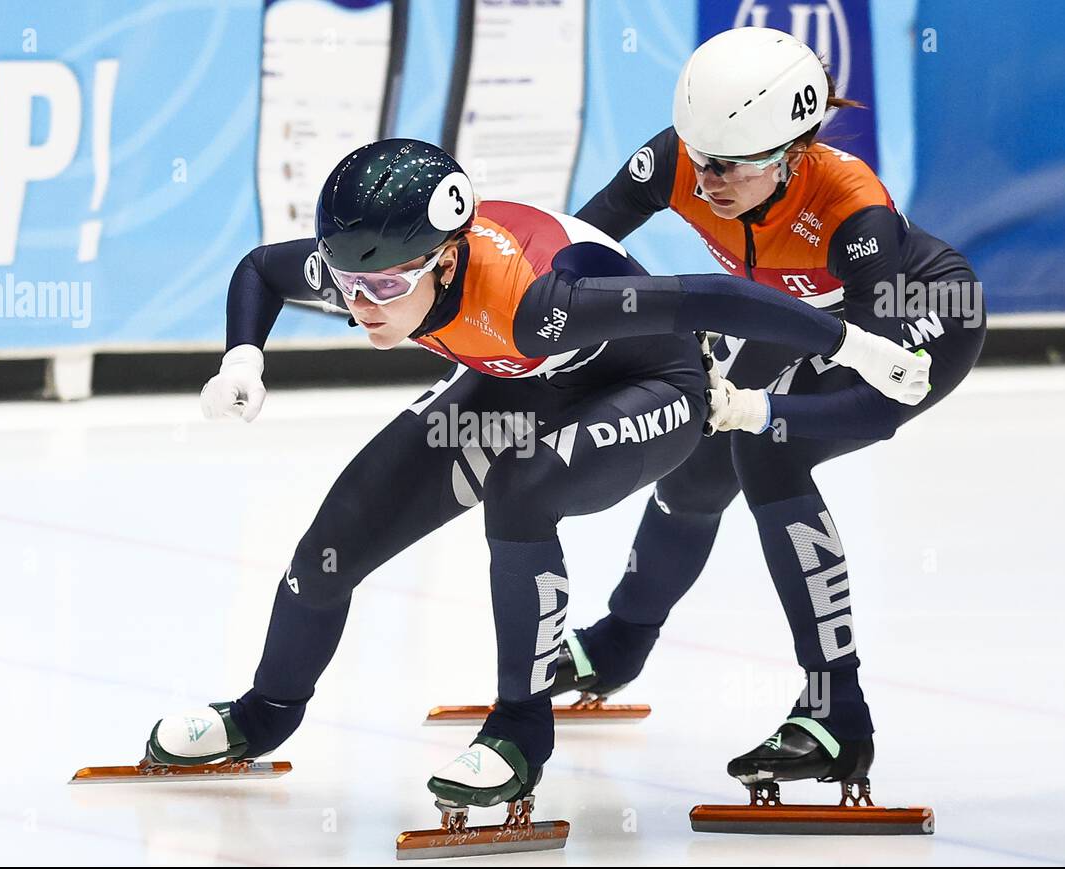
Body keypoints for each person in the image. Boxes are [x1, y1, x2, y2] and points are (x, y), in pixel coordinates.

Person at [143, 137, 927, 820]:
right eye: (347, 288)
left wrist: (858, 348)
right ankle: (266, 711)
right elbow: (259, 270)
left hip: (656, 386)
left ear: (446, 258)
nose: (364, 306)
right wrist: (244, 356)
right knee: (330, 548)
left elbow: (714, 297)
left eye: (384, 288)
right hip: (517, 378)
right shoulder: (367, 258)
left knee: (522, 490)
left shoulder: (533, 303)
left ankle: (520, 729)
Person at [553, 26, 986, 793]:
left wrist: (759, 413)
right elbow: (577, 248)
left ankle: (836, 713)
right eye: (700, 156)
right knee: (694, 469)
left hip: (916, 320)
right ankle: (621, 642)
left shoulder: (857, 216)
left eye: (732, 166)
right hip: (795, 310)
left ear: (793, 152)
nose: (708, 178)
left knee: (768, 451)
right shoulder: (684, 155)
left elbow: (878, 401)